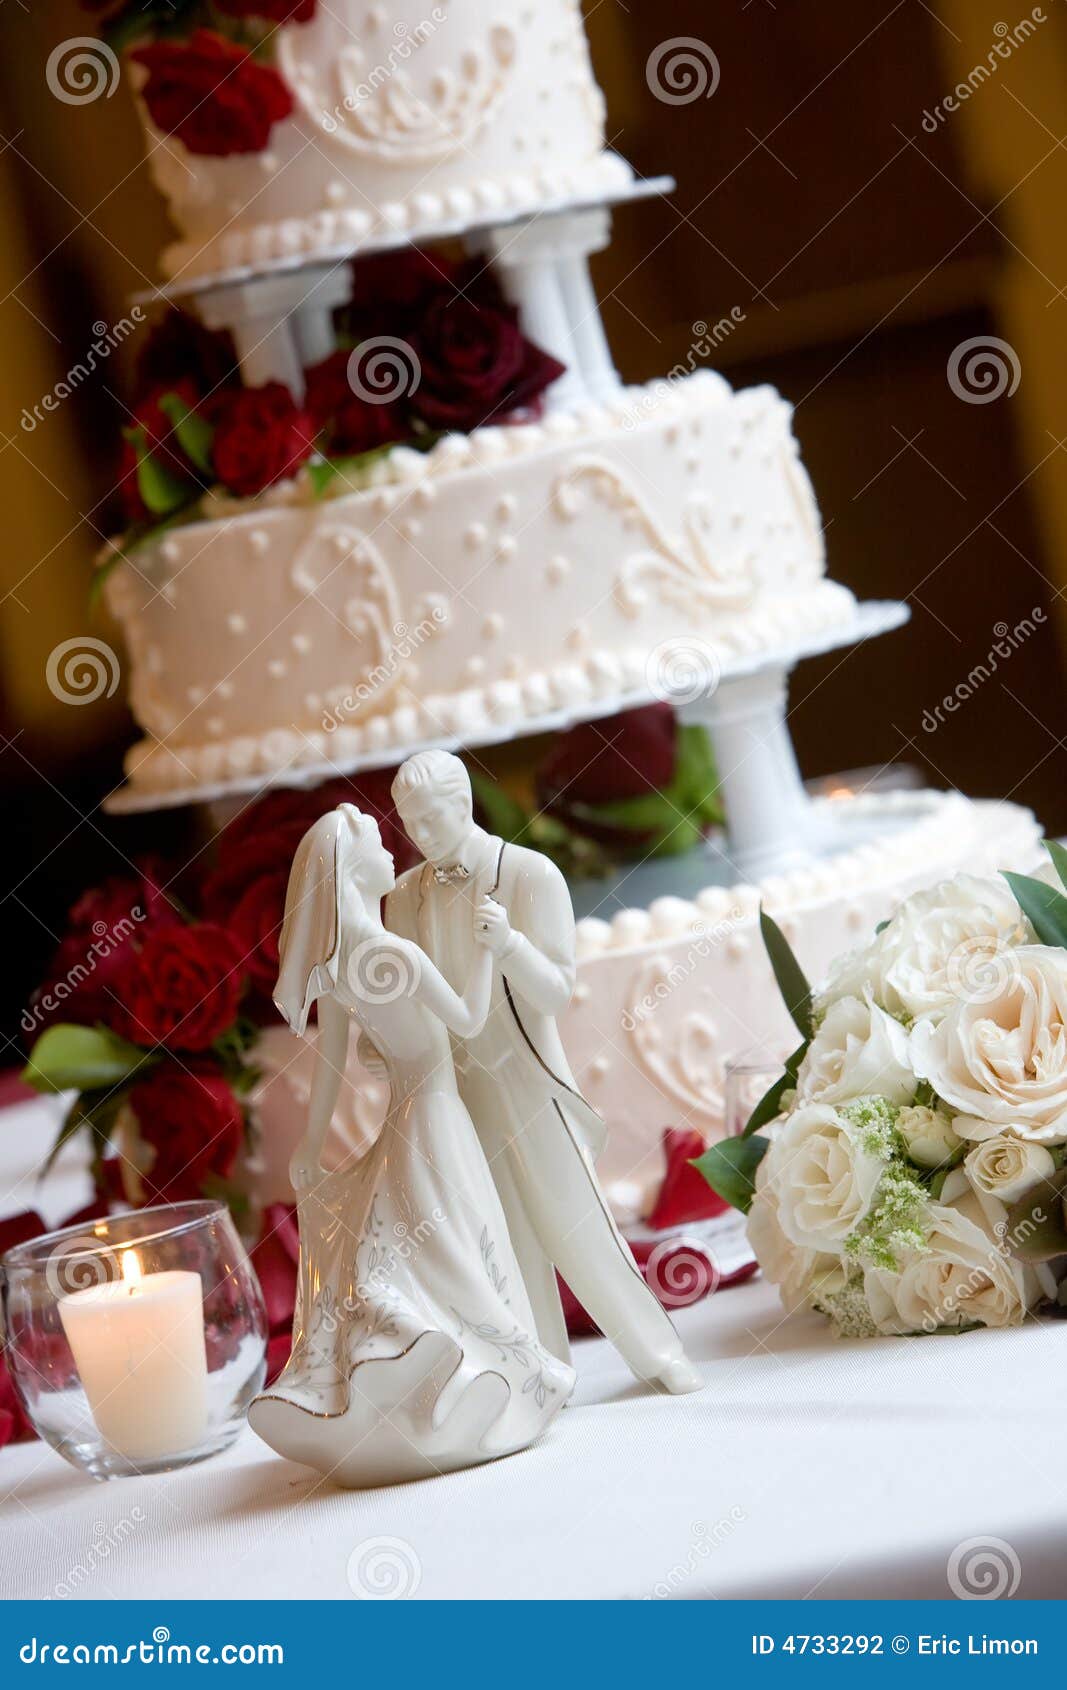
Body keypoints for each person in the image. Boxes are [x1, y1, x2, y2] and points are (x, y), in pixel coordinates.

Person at [248, 803, 574, 1488]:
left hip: (402, 1119)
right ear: (349, 871)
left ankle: (447, 1381)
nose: (391, 849)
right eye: (374, 842)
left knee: (429, 1243)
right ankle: (510, 1375)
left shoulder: (337, 972)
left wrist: (309, 1148)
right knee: (461, 1241)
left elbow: (330, 1069)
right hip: (438, 1110)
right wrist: (487, 953)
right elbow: (465, 1018)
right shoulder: (394, 952)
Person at [365, 750, 702, 1395]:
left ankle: (656, 1351)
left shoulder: (529, 876)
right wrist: (385, 1041)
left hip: (527, 1079)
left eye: (431, 818)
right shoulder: (403, 898)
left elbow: (554, 994)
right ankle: (546, 1371)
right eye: (409, 822)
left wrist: (509, 945)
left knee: (577, 1222)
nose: (421, 835)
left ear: (463, 804)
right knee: (501, 1233)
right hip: (454, 1089)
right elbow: (411, 996)